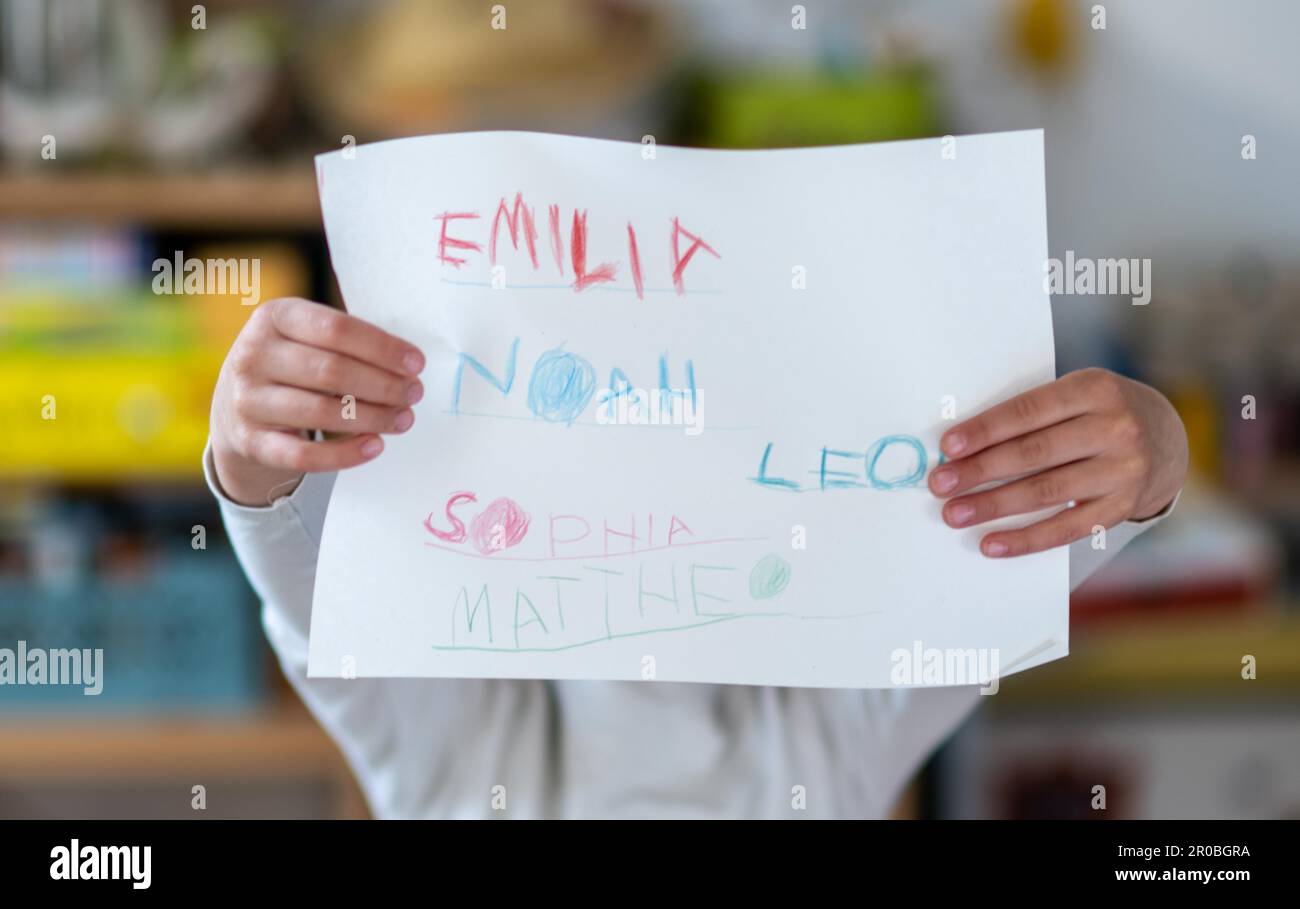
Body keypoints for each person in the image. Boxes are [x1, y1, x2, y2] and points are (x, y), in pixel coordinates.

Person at [206, 296, 1188, 818]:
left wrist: (250, 462)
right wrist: (1148, 453)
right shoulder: (815, 763)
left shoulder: (460, 765)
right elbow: (990, 581)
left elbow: (322, 614)